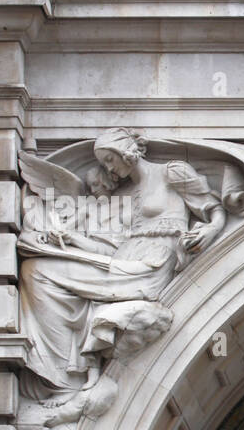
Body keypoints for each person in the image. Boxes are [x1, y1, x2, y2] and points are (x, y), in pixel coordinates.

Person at [18, 128, 225, 408]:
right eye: (104, 163)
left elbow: (213, 207)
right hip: (124, 261)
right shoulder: (123, 193)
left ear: (127, 150)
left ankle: (67, 379)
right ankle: (61, 375)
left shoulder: (172, 172)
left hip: (151, 266)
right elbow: (111, 249)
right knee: (36, 268)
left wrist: (211, 230)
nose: (109, 168)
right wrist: (70, 240)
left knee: (39, 271)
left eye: (110, 159)